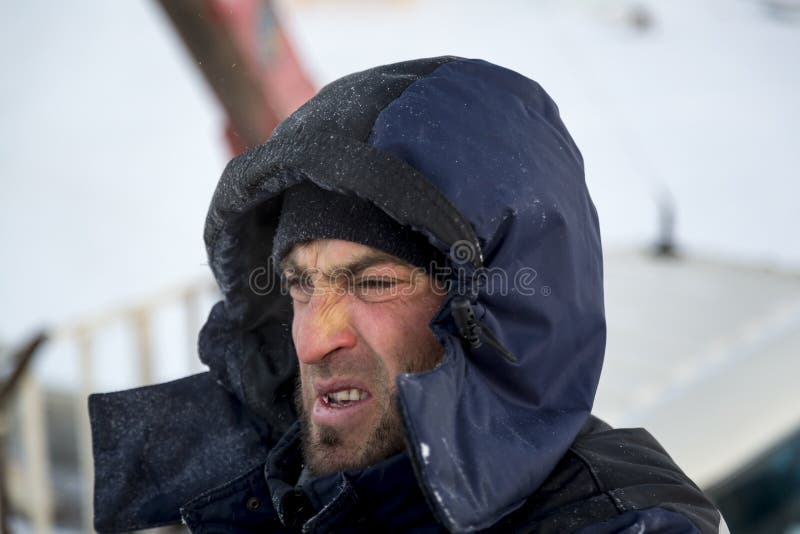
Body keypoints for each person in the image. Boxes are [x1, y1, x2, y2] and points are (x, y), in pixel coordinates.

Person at [90, 56, 726, 533]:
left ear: (496, 311)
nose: (313, 339)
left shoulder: (614, 523)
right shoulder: (269, 485)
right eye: (299, 285)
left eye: (374, 282)